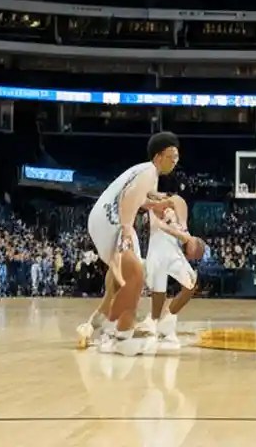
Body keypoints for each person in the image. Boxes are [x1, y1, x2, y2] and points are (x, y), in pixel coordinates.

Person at [77, 132, 180, 356]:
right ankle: (120, 335)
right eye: (172, 155)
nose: (175, 160)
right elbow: (129, 197)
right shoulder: (149, 172)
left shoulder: (141, 170)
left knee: (120, 276)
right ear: (159, 155)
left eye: (177, 157)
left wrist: (153, 205)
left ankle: (96, 324)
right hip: (111, 220)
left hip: (100, 219)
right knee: (135, 273)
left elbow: (136, 197)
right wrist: (125, 228)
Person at [142, 194, 201, 351]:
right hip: (157, 254)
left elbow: (179, 200)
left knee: (191, 284)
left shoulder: (176, 208)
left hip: (173, 253)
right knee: (158, 291)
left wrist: (184, 229)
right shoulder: (151, 211)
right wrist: (183, 236)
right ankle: (153, 324)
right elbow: (161, 225)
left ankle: (167, 321)